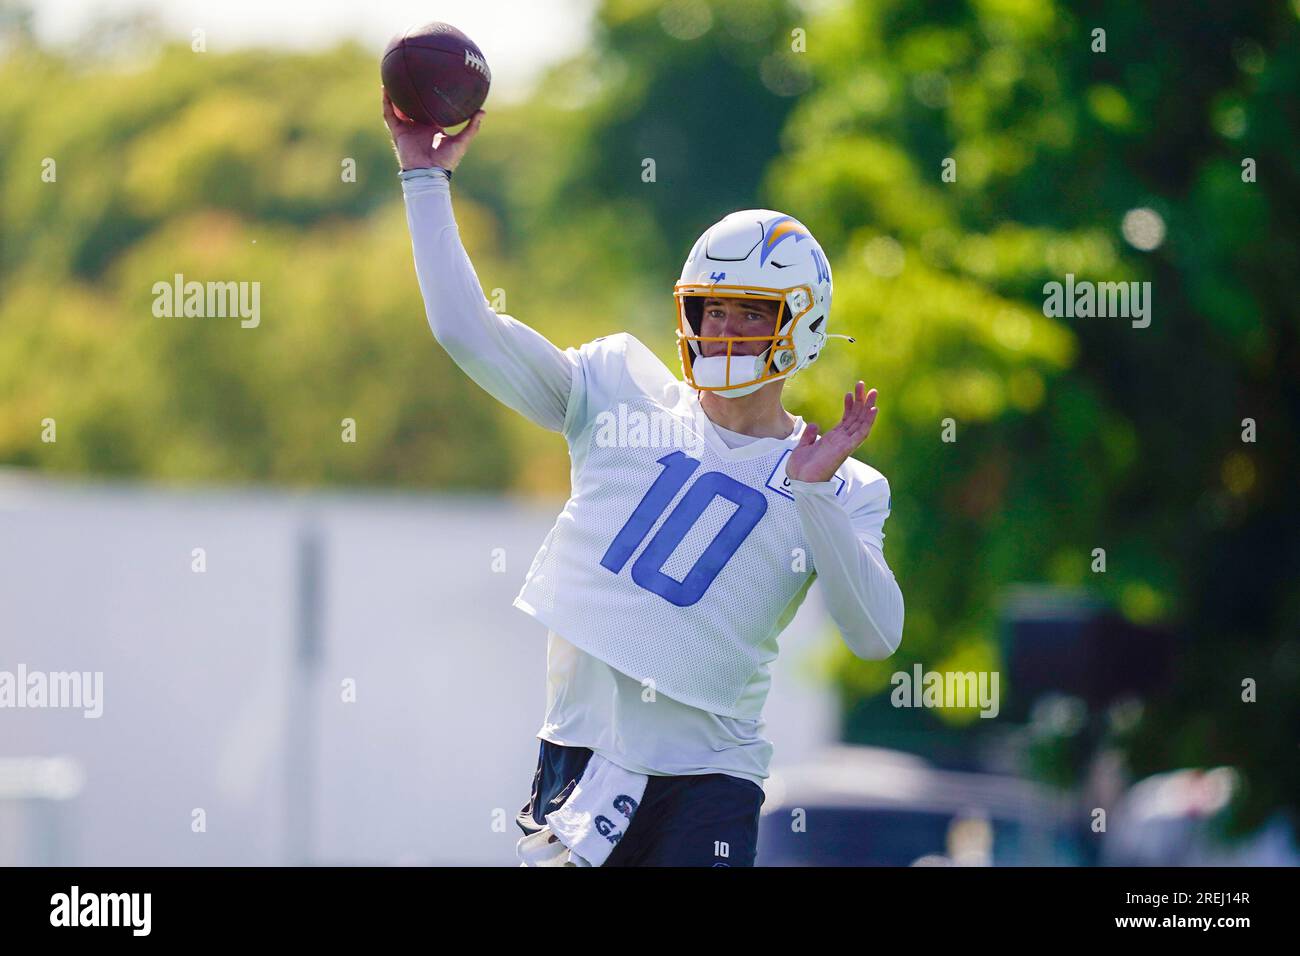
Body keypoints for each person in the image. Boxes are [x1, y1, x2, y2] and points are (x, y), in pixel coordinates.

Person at [384, 93, 904, 866]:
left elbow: (875, 635)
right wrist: (424, 181)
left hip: (711, 778)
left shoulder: (840, 480)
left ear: (802, 324)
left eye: (748, 314)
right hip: (580, 761)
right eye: (711, 310)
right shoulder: (619, 393)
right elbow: (469, 332)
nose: (723, 331)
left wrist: (817, 495)